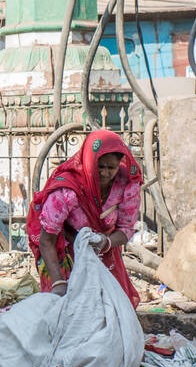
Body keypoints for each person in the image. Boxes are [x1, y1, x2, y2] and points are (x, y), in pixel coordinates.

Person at [26, 129, 143, 307]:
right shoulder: (67, 190)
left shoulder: (126, 184)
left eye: (111, 168)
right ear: (89, 162)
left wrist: (106, 243)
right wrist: (58, 282)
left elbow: (126, 229)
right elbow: (47, 240)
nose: (104, 173)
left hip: (104, 250)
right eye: (99, 166)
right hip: (66, 251)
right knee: (70, 308)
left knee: (112, 308)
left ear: (120, 164)